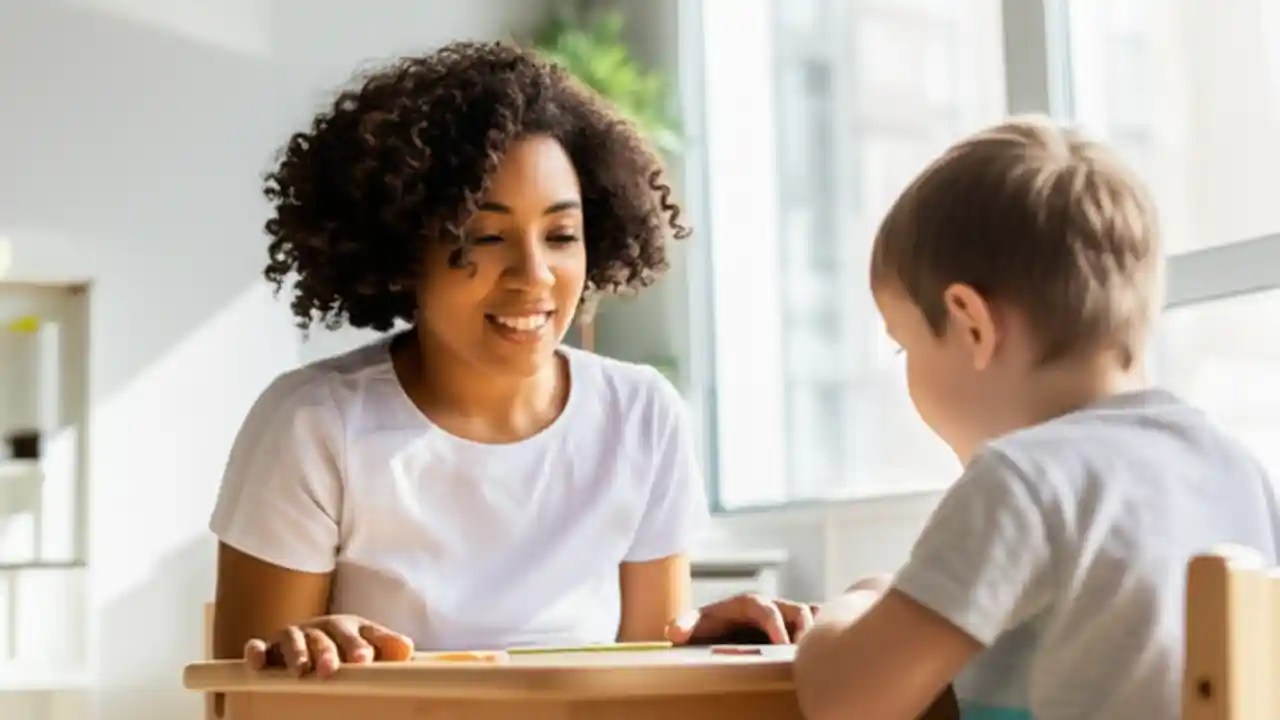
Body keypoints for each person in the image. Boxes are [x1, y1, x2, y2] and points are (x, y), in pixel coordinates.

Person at [672, 116, 1280, 720]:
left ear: (971, 324)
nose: (905, 367)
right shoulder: (1234, 465)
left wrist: (860, 603)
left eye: (902, 345)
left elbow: (847, 701)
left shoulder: (1023, 479)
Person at [209, 40, 712, 678]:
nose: (534, 277)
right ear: (404, 248)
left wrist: (713, 641)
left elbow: (653, 688)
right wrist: (307, 660)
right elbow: (241, 703)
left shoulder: (642, 415)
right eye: (486, 237)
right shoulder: (314, 425)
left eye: (560, 236)